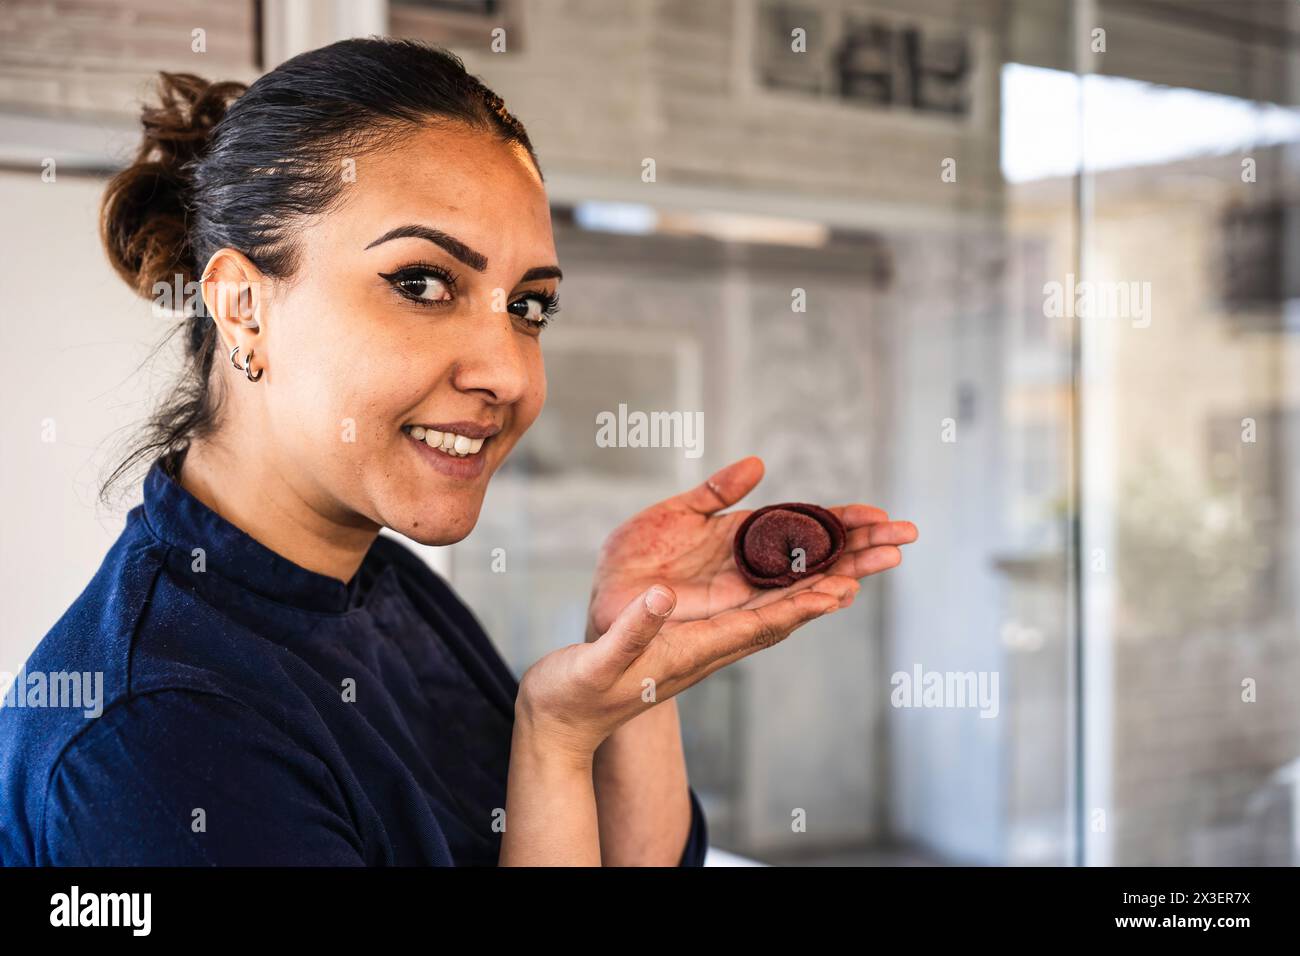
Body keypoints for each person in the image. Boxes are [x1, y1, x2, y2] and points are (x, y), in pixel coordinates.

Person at [0, 37, 917, 866]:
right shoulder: (160, 739)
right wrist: (552, 747)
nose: (509, 374)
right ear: (244, 308)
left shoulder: (385, 589)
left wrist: (631, 671)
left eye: (528, 307)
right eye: (422, 282)